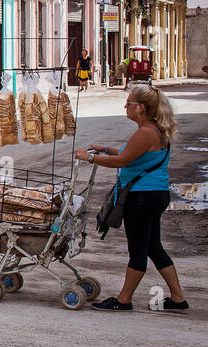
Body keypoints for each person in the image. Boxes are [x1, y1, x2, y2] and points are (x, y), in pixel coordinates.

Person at [76, 84, 188, 311]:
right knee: (154, 247)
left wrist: (88, 158)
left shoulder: (145, 132)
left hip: (142, 197)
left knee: (138, 250)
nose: (125, 106)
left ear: (141, 108)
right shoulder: (155, 129)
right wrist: (105, 148)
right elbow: (132, 155)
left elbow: (122, 161)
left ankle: (123, 300)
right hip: (155, 194)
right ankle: (178, 299)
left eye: (129, 103)